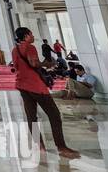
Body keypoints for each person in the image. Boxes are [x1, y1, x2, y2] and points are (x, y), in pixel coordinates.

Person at [13, 26, 79, 160]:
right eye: (31, 34)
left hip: (22, 85)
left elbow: (16, 66)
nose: (33, 37)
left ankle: (40, 145)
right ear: (26, 36)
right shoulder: (30, 47)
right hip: (35, 86)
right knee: (54, 114)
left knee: (31, 116)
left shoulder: (15, 50)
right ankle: (61, 147)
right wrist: (46, 65)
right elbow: (33, 63)